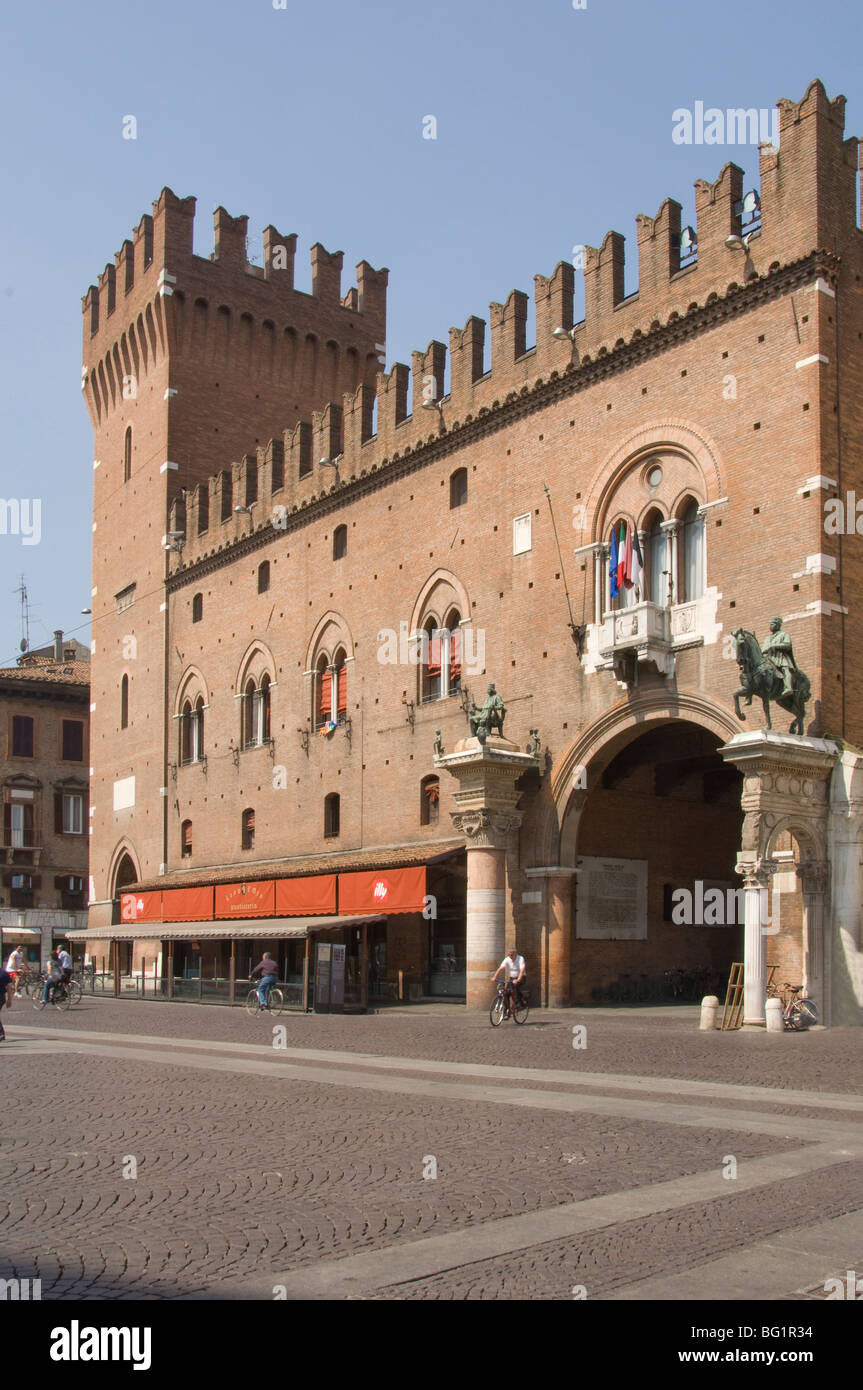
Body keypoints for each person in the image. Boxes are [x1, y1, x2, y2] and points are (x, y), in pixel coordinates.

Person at [491, 945, 527, 1015]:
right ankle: (506, 1010)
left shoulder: (520, 958)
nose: (510, 956)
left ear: (515, 953)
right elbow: (500, 968)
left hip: (521, 977)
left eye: (511, 954)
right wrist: (494, 977)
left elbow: (522, 970)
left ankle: (518, 1003)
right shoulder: (507, 959)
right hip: (512, 978)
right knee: (506, 993)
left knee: (515, 986)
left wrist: (518, 979)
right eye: (509, 954)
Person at [0, 964, 13, 1040]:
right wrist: (9, 999)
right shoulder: (4, 973)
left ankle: (1, 1033)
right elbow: (9, 987)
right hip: (2, 997)